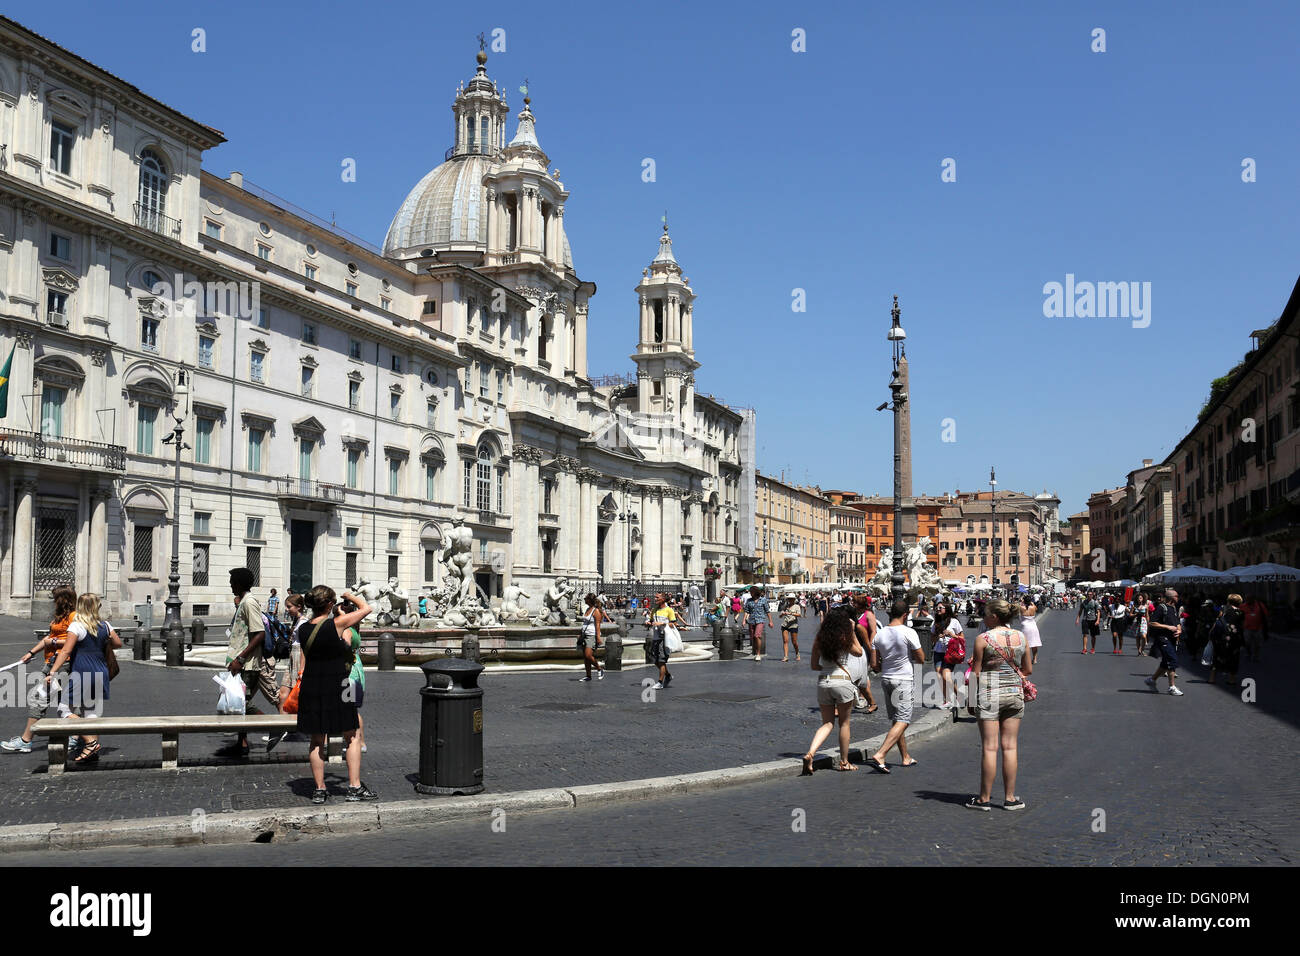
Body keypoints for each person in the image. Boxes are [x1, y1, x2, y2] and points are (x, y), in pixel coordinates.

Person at [298, 586, 375, 803]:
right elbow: (366, 608)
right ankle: (354, 787)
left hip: (312, 686)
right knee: (351, 735)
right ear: (330, 605)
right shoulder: (337, 624)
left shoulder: (303, 629)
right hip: (340, 685)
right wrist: (350, 597)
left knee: (316, 739)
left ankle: (320, 789)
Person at [966, 598, 1031, 811]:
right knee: (1010, 746)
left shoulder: (982, 639)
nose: (983, 617)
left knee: (990, 748)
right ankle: (1010, 798)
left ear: (994, 616)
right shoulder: (1021, 637)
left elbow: (975, 673)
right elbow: (1027, 669)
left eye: (985, 614)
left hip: (989, 694)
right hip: (1014, 694)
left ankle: (984, 799)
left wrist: (968, 700)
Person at [46, 592, 123, 764]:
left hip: (82, 671)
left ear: (80, 606)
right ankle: (91, 751)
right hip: (100, 670)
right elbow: (118, 643)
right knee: (91, 712)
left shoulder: (77, 626)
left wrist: (53, 671)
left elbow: (66, 650)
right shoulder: (105, 625)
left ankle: (91, 742)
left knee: (64, 709)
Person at [3, 585, 77, 754]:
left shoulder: (74, 617)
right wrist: (31, 652)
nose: (52, 601)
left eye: (54, 598)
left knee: (39, 699)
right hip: (52, 662)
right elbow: (49, 638)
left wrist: (53, 643)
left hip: (61, 664)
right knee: (67, 703)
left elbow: (73, 641)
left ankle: (26, 740)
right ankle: (77, 737)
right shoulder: (60, 617)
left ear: (62, 599)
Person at [801, 607, 870, 774]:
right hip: (842, 682)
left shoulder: (820, 638)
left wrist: (827, 667)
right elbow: (859, 652)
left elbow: (814, 665)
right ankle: (844, 762)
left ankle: (810, 753)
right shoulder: (844, 637)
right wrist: (852, 631)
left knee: (827, 723)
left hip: (823, 682)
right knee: (844, 723)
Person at [224, 567, 280, 757]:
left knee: (237, 704)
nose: (230, 585)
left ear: (239, 583)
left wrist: (240, 658)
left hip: (247, 664)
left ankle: (275, 726)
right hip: (240, 662)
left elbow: (259, 633)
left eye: (232, 582)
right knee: (237, 704)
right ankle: (242, 744)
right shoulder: (243, 602)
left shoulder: (249, 603)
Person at [865, 600, 924, 773]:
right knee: (904, 720)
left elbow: (875, 664)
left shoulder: (879, 635)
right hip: (903, 680)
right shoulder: (909, 632)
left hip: (886, 679)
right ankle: (881, 754)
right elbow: (921, 658)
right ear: (905, 615)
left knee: (896, 720)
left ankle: (905, 757)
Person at [1144, 589, 1184, 696]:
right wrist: (1167, 627)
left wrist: (1179, 630)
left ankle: (1152, 680)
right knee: (1172, 660)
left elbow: (1177, 623)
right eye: (1177, 596)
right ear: (1171, 597)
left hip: (1171, 639)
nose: (1178, 598)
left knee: (1166, 663)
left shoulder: (1174, 608)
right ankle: (1172, 687)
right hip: (1162, 638)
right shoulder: (1162, 608)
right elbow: (1152, 622)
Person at [932, 601, 965, 709]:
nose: (938, 610)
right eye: (937, 608)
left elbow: (962, 638)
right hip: (938, 651)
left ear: (946, 609)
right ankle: (947, 701)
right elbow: (932, 639)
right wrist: (938, 636)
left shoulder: (954, 622)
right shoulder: (935, 622)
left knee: (946, 676)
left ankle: (959, 695)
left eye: (940, 608)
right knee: (939, 675)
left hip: (950, 652)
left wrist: (952, 635)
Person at [1208, 594, 1245, 686]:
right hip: (1235, 638)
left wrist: (1211, 634)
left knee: (1217, 656)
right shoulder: (1241, 612)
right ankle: (1231, 679)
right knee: (1234, 658)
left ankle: (1212, 678)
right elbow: (1242, 626)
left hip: (1222, 637)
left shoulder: (1223, 608)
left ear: (1228, 601)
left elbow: (1217, 621)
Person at [649, 592, 682, 689]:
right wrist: (648, 623)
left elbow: (673, 624)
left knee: (661, 661)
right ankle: (668, 675)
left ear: (663, 599)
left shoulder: (669, 610)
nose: (655, 599)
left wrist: (662, 623)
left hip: (664, 638)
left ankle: (660, 682)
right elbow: (652, 621)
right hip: (656, 637)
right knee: (655, 661)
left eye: (657, 597)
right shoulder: (654, 610)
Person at [578, 593, 607, 682]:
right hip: (584, 634)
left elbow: (597, 625)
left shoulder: (596, 611)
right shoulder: (588, 609)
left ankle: (599, 669)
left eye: (586, 598)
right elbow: (585, 623)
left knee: (588, 655)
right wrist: (580, 633)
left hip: (592, 635)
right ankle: (588, 676)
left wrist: (598, 638)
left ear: (589, 600)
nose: (584, 599)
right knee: (585, 657)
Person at [742, 585, 774, 662]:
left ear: (755, 592)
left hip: (760, 620)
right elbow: (747, 611)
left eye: (751, 592)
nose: (750, 593)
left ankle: (758, 654)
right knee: (753, 638)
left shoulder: (763, 600)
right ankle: (755, 651)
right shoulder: (749, 601)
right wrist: (743, 620)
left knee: (757, 635)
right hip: (751, 620)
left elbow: (767, 611)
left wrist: (770, 621)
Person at [1241, 594, 1268, 663]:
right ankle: (1248, 652)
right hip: (1247, 628)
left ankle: (1256, 656)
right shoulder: (1243, 606)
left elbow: (1265, 614)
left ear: (1253, 599)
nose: (1248, 600)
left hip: (1258, 627)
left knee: (1257, 644)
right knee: (1247, 642)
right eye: (1247, 599)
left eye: (1249, 599)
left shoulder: (1259, 605)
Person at [778, 596, 801, 663]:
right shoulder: (785, 606)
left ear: (794, 599)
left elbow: (799, 615)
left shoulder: (797, 606)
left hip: (793, 625)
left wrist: (791, 613)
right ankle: (786, 657)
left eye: (791, 599)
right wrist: (782, 614)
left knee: (794, 642)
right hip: (785, 624)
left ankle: (797, 653)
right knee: (785, 641)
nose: (790, 600)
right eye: (789, 599)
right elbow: (780, 616)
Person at [1020, 598, 1042, 666]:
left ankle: (1025, 659)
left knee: (1024, 644)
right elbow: (1035, 607)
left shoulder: (1021, 607)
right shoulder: (1033, 607)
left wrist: (1022, 601)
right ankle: (1034, 658)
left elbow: (1018, 607)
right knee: (1034, 643)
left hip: (1025, 627)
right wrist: (1031, 603)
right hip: (1033, 626)